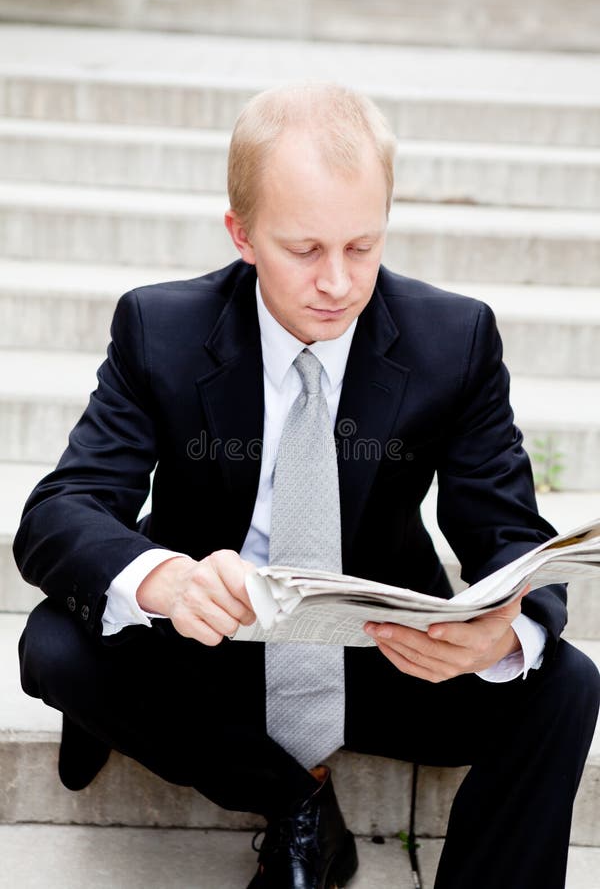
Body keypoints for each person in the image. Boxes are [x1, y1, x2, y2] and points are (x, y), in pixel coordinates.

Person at [14, 83, 599, 889]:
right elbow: (60, 511)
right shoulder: (162, 329)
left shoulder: (453, 339)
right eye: (305, 249)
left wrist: (504, 629)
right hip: (212, 648)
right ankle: (294, 801)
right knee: (52, 643)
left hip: (383, 650)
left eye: (363, 247)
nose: (337, 281)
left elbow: (507, 529)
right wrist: (169, 581)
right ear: (242, 233)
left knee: (565, 682)